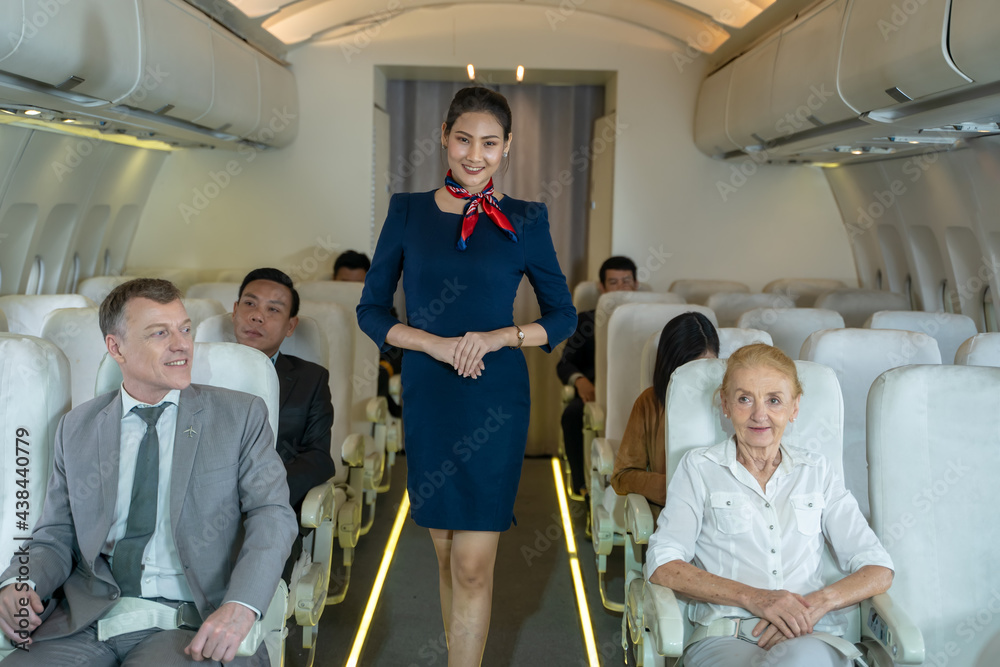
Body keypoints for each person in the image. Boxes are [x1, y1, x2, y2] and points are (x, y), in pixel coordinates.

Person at [357, 86, 576, 666]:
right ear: (444, 139)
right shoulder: (407, 210)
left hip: (494, 395)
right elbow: (371, 310)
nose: (473, 155)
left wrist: (500, 337)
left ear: (507, 147)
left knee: (473, 564)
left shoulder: (527, 219)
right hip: (431, 393)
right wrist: (433, 344)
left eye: (489, 143)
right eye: (463, 140)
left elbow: (563, 315)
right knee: (445, 552)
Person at [0, 278, 296, 665]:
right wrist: (21, 581)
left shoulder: (239, 416)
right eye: (160, 333)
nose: (181, 344)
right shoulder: (78, 427)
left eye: (185, 329)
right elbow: (56, 533)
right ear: (116, 347)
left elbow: (272, 516)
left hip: (188, 624)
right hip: (87, 621)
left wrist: (241, 605)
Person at [646, 344, 894, 666]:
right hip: (725, 636)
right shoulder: (699, 468)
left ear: (794, 408)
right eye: (744, 399)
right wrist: (755, 599)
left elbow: (877, 568)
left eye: (774, 400)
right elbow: (663, 564)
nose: (759, 415)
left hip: (807, 636)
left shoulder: (817, 471)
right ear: (725, 404)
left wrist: (812, 605)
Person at [232, 267, 335, 512]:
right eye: (250, 304)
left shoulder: (311, 380)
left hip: (268, 509)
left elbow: (318, 458)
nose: (257, 316)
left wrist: (262, 494)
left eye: (273, 309)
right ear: (235, 311)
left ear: (290, 326)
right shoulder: (198, 371)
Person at [610, 311, 719, 516]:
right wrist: (674, 486)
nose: (696, 379)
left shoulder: (736, 402)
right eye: (687, 370)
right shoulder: (649, 403)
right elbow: (622, 476)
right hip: (674, 517)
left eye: (705, 367)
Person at [557, 256, 637, 496]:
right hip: (595, 392)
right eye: (614, 282)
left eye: (627, 281)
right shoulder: (587, 321)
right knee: (572, 414)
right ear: (602, 288)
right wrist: (580, 380)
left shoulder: (650, 317)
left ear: (636, 284)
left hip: (636, 393)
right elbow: (565, 363)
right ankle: (581, 485)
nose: (622, 288)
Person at [332, 251, 403, 418]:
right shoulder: (318, 308)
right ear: (333, 280)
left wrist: (381, 369)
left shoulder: (382, 312)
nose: (350, 291)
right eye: (344, 283)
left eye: (357, 285)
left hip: (365, 378)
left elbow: (396, 352)